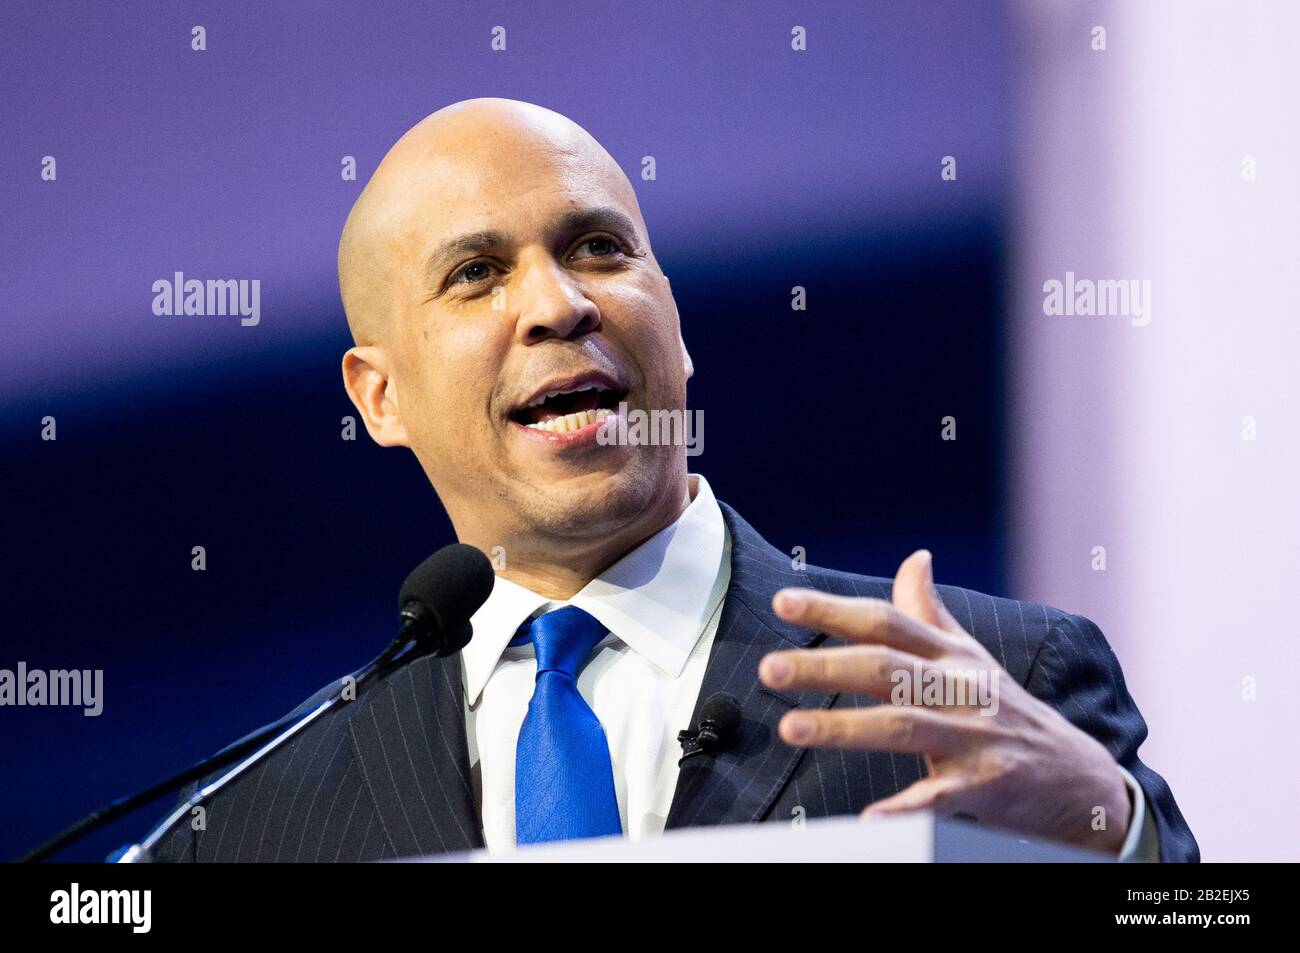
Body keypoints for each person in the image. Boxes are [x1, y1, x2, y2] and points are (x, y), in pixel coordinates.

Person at [156, 98, 1197, 862]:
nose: (557, 304)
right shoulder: (254, 814)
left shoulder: (989, 677)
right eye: (476, 273)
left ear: (677, 328)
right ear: (378, 397)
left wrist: (1112, 823)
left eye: (598, 248)